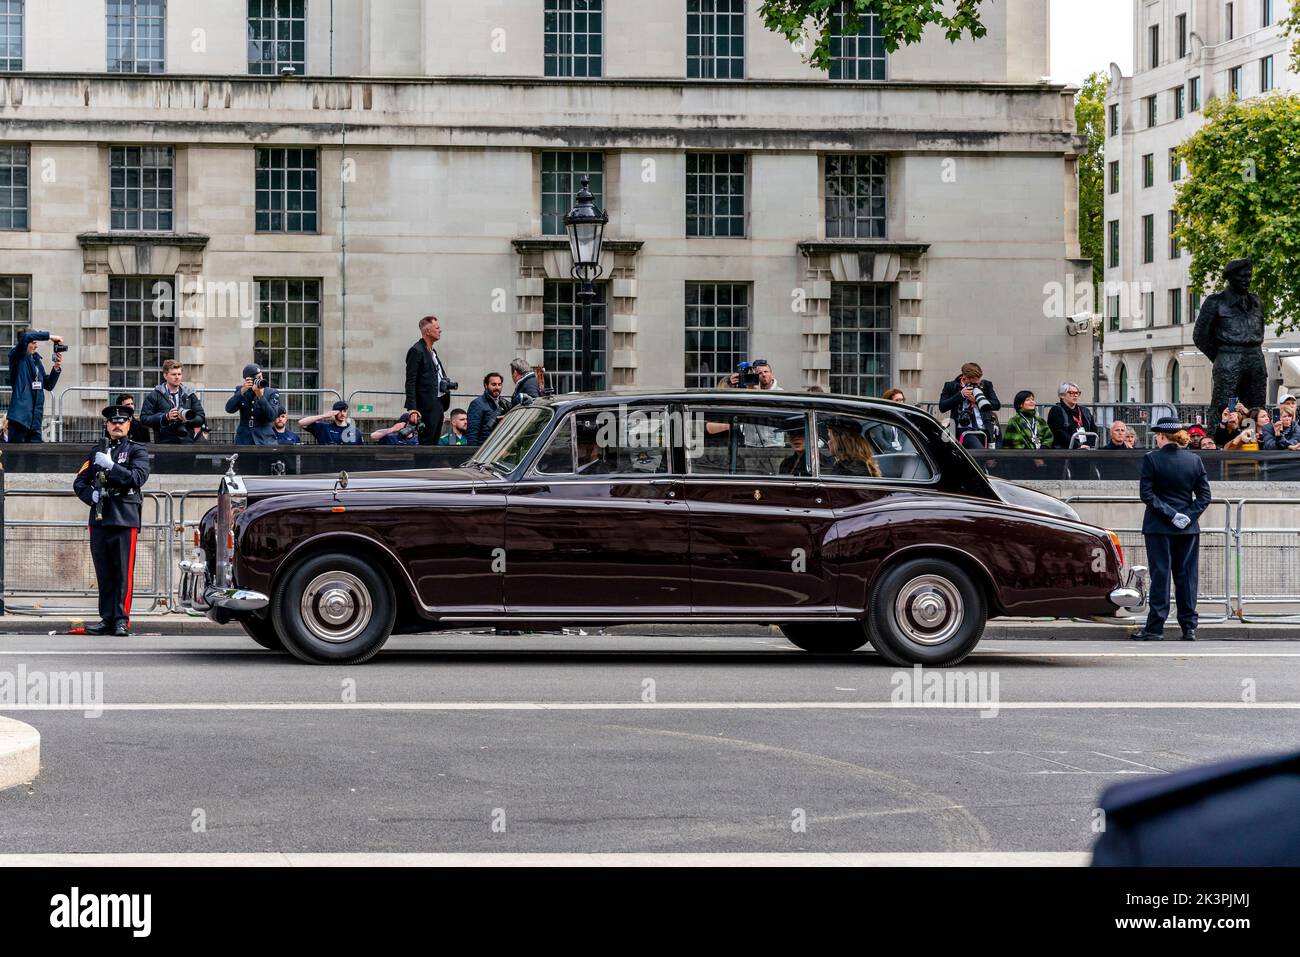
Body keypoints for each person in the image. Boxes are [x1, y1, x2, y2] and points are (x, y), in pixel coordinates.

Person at [73, 404, 151, 637]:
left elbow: (138, 478)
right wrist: (91, 495)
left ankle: (121, 620)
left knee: (123, 573)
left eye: (122, 421)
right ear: (107, 425)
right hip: (99, 518)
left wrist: (112, 467)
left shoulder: (138, 451)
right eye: (113, 422)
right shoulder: (96, 451)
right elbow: (79, 482)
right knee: (104, 573)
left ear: (129, 425)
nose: (117, 424)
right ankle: (107, 618)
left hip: (124, 518)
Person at [1131, 418, 1212, 643]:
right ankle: (1189, 627)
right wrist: (1187, 516)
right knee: (1186, 577)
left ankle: (1155, 627)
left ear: (1161, 436)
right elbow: (1205, 496)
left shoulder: (1152, 459)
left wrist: (1171, 514)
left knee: (1161, 575)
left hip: (1158, 526)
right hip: (1187, 529)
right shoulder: (1194, 460)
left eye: (1156, 435)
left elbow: (1147, 495)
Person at [1193, 258, 1267, 412]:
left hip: (1255, 358)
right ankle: (1218, 436)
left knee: (1257, 408)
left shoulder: (1256, 302)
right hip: (1229, 358)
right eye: (1242, 276)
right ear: (1230, 278)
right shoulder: (1215, 302)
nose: (1247, 280)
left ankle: (1255, 436)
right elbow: (1200, 336)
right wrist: (1221, 356)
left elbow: (1260, 330)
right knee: (1223, 407)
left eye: (1249, 276)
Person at [7, 327, 64, 443]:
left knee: (35, 458)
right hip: (19, 419)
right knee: (15, 458)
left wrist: (56, 367)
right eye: (34, 343)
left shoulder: (36, 360)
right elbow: (26, 336)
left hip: (35, 421)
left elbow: (48, 385)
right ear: (25, 343)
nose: (36, 346)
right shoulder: (17, 356)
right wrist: (49, 336)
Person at [405, 316, 453, 444]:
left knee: (434, 442)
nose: (440, 330)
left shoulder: (433, 351)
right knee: (426, 442)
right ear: (427, 331)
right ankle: (424, 465)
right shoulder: (416, 350)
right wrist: (412, 409)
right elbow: (411, 381)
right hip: (425, 406)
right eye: (437, 328)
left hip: (438, 403)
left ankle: (430, 464)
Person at [139, 359, 206, 444]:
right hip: (164, 443)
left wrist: (188, 419)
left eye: (179, 374)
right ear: (165, 376)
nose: (177, 377)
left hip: (187, 442)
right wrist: (165, 417)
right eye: (173, 374)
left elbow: (201, 417)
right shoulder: (155, 395)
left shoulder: (190, 394)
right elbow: (144, 419)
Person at [938, 361, 1000, 448]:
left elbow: (997, 404)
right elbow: (942, 407)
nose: (978, 383)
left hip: (985, 429)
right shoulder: (951, 386)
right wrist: (960, 395)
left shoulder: (986, 385)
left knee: (988, 459)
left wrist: (977, 400)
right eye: (974, 382)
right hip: (963, 429)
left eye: (979, 380)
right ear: (965, 378)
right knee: (980, 453)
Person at [225, 363, 281, 445]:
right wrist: (242, 391)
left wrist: (261, 397)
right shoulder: (241, 391)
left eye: (261, 377)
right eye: (257, 378)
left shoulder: (271, 393)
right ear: (248, 379)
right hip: (244, 438)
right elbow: (229, 409)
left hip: (264, 439)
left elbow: (272, 416)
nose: (260, 380)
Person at [1047, 381, 1098, 450]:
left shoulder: (1085, 411)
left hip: (1086, 450)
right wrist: (1077, 446)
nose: (1075, 395)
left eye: (1077, 393)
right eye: (1071, 393)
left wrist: (1088, 445)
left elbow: (1094, 430)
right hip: (1065, 451)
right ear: (1062, 395)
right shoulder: (1056, 410)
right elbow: (1059, 433)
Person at [299, 400, 365, 445]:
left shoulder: (355, 432)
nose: (342, 414)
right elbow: (301, 423)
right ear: (333, 413)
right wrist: (323, 416)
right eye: (339, 411)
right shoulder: (324, 428)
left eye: (344, 411)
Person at [467, 372, 505, 445]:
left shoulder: (504, 403)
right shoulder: (477, 404)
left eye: (499, 384)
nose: (497, 387)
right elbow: (472, 433)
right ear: (486, 385)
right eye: (493, 384)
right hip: (483, 450)